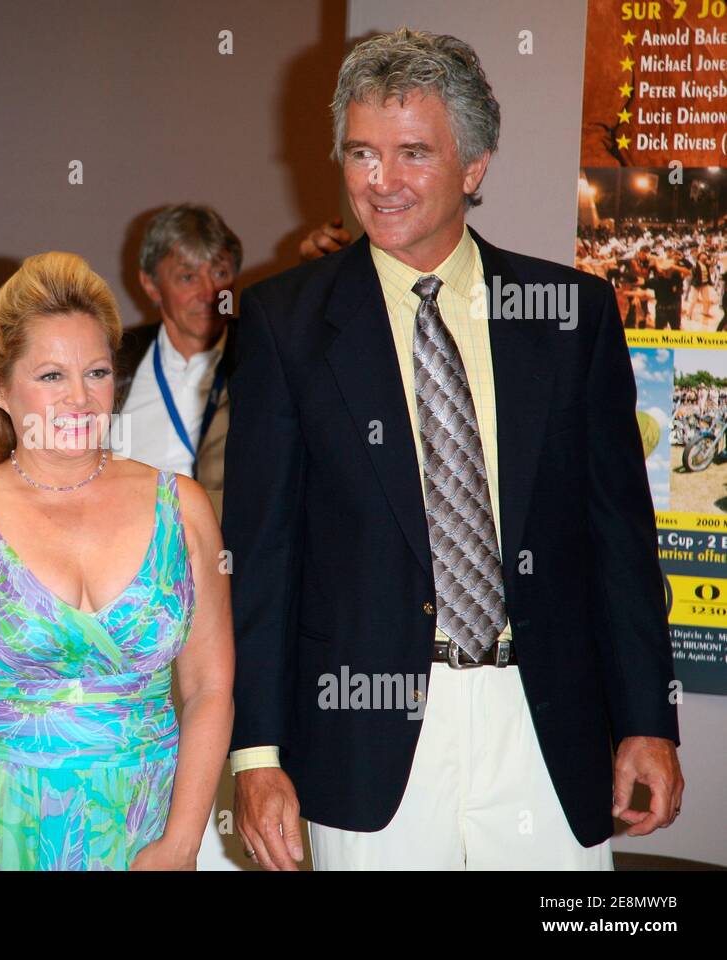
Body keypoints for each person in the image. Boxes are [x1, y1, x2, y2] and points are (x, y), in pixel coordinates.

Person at [224, 28, 683, 870]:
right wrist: (256, 757)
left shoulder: (568, 315)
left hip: (543, 726)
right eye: (361, 152)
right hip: (365, 742)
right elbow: (259, 560)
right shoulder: (284, 325)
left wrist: (648, 718)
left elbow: (620, 535)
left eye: (411, 154)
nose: (380, 181)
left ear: (474, 167)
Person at [0, 251, 233, 870]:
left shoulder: (180, 509)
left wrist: (182, 842)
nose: (79, 399)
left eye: (97, 373)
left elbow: (211, 688)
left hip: (142, 829)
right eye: (51, 376)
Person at [114, 207, 349, 491]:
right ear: (151, 285)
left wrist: (317, 280)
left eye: (220, 272)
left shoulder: (264, 353)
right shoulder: (116, 360)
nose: (209, 292)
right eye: (188, 277)